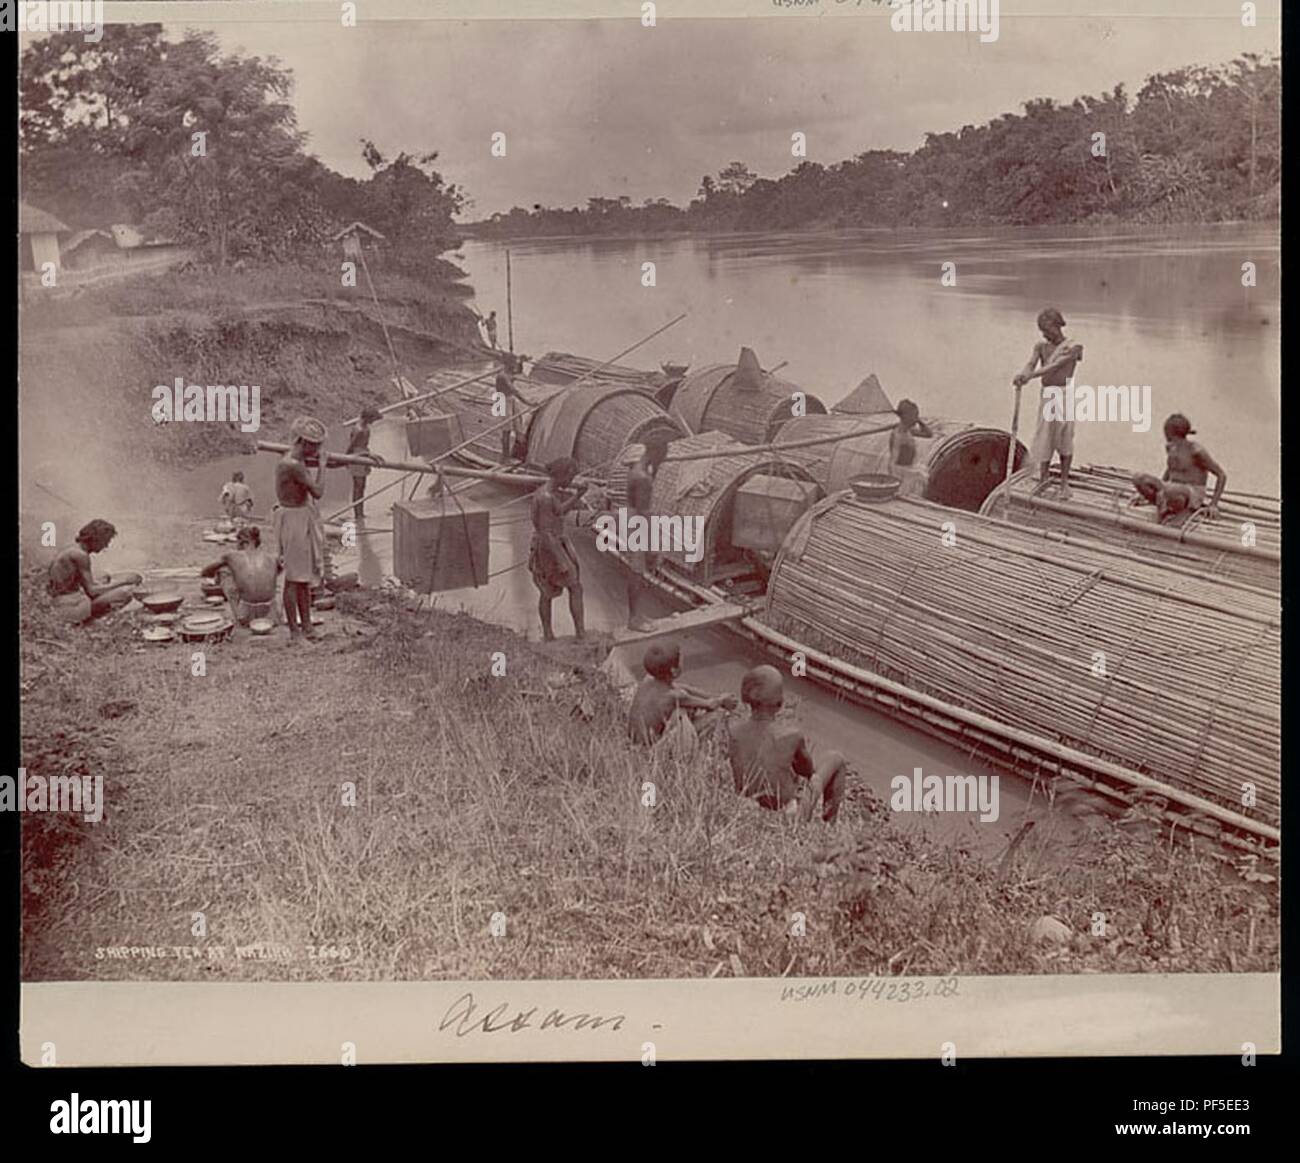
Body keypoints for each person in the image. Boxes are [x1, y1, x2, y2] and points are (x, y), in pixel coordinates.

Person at [728, 665, 848, 824]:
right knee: (835, 758)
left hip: (749, 809)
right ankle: (830, 823)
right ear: (780, 702)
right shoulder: (791, 736)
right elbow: (807, 772)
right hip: (787, 816)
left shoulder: (733, 732)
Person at [1012, 307, 1084, 501]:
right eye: (1041, 329)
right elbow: (1031, 363)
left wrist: (1030, 376)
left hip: (1064, 394)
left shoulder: (1074, 346)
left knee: (1064, 437)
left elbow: (1054, 366)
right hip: (1047, 395)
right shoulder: (1040, 346)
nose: (1044, 333)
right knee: (1044, 436)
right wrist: (1023, 373)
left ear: (1056, 326)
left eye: (1046, 328)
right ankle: (1043, 478)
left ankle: (1063, 483)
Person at [274, 415, 330, 644]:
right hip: (293, 519)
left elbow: (328, 461)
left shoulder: (297, 458)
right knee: (293, 579)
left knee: (304, 578)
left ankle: (307, 626)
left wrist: (358, 458)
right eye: (314, 446)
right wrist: (323, 466)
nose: (316, 451)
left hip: (301, 515)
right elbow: (317, 491)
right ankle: (295, 632)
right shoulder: (292, 465)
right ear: (303, 443)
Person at [627, 641, 737, 749]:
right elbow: (710, 705)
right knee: (717, 715)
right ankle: (703, 747)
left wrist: (715, 695)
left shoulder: (648, 680)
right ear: (674, 671)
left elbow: (684, 688)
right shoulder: (673, 696)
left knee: (682, 708)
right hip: (651, 750)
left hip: (635, 741)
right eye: (681, 660)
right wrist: (723, 699)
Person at [528, 457, 587, 642]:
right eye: (570, 477)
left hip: (554, 545)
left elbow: (559, 512)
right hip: (549, 548)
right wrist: (561, 560)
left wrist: (577, 496)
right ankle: (579, 634)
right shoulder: (545, 498)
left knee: (547, 592)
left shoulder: (548, 494)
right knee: (573, 588)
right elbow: (546, 533)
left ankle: (549, 634)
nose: (571, 482)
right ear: (562, 475)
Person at [1132, 413, 1227, 522]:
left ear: (1170, 432)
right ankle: (1165, 507)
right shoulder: (1171, 447)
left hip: (1192, 492)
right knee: (1139, 478)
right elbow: (1170, 469)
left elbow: (1221, 475)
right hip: (1172, 489)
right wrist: (1149, 492)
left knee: (1170, 490)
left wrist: (1213, 504)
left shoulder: (1196, 451)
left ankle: (1174, 509)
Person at [46, 518, 142, 624]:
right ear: (96, 539)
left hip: (62, 603)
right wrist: (125, 581)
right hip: (70, 608)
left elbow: (78, 584)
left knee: (104, 579)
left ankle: (90, 618)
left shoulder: (72, 550)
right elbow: (92, 590)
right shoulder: (81, 555)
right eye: (105, 542)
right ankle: (90, 620)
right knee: (125, 592)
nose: (106, 546)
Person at [625, 432, 670, 632]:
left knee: (639, 571)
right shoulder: (642, 478)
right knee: (637, 572)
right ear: (655, 452)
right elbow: (644, 512)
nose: (664, 459)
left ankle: (637, 614)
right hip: (638, 524)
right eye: (663, 455)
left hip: (633, 520)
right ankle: (634, 618)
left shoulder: (639, 469)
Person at [199, 525, 281, 626]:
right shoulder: (272, 558)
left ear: (242, 541)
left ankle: (239, 615)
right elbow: (278, 572)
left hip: (246, 615)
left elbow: (205, 573)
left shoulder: (231, 556)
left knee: (224, 572)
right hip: (271, 614)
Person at [889, 399, 934, 497]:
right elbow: (893, 461)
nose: (915, 418)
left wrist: (919, 421)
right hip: (902, 473)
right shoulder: (898, 435)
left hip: (911, 469)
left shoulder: (910, 431)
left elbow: (929, 434)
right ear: (905, 416)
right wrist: (894, 483)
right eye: (913, 416)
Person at [345, 407, 384, 522]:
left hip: (364, 456)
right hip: (357, 458)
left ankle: (360, 513)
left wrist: (370, 454)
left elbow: (363, 446)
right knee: (358, 486)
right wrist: (346, 459)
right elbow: (351, 447)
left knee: (362, 487)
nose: (374, 422)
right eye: (373, 419)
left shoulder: (366, 428)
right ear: (368, 418)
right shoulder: (358, 430)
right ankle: (357, 515)